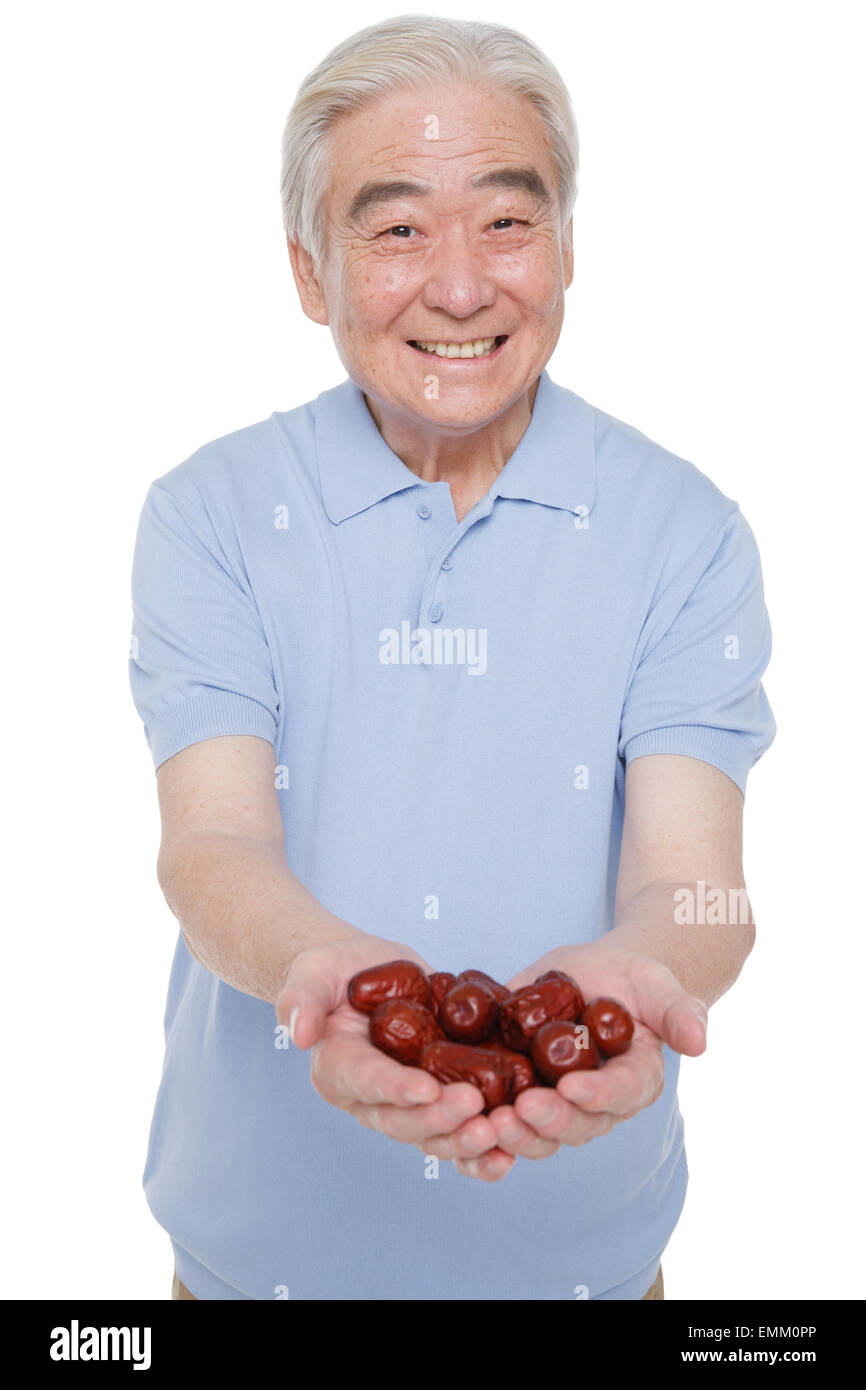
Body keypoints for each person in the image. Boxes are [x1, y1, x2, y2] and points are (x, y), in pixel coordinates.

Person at [128, 15, 775, 1301]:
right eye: (396, 227)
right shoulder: (207, 513)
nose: (462, 285)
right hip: (254, 1277)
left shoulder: (684, 531)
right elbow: (213, 848)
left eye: (506, 219)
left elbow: (695, 884)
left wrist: (641, 978)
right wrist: (327, 977)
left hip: (585, 1273)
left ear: (569, 246)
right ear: (310, 273)